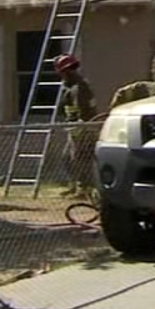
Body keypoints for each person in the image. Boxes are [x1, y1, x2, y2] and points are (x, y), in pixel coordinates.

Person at [54, 54, 99, 200]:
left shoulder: (79, 87)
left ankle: (84, 189)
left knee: (79, 158)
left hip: (82, 127)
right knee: (68, 158)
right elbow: (64, 106)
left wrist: (81, 125)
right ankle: (74, 186)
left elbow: (85, 108)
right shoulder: (68, 86)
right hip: (73, 125)